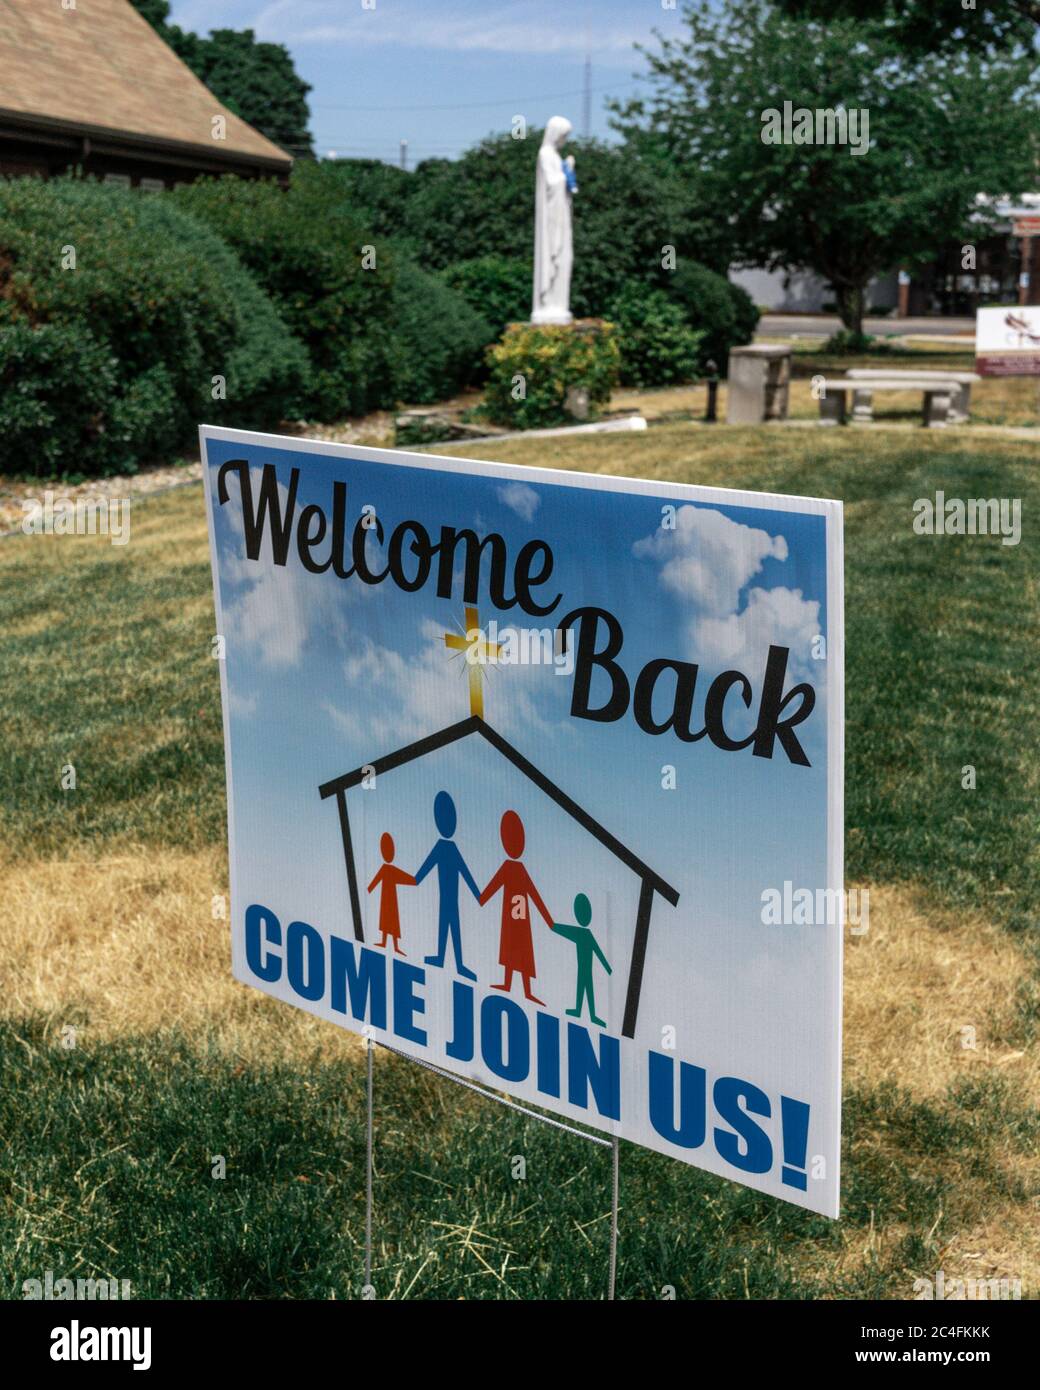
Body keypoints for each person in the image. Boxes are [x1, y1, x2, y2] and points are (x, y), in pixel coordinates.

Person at [480, 810, 553, 1006]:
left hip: (520, 922)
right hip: (514, 921)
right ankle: (508, 984)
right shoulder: (511, 868)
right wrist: (482, 898)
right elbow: (494, 886)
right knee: (511, 952)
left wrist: (549, 920)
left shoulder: (517, 869)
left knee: (521, 954)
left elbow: (534, 895)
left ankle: (527, 991)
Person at [414, 790, 480, 980]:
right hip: (447, 900)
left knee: (454, 928)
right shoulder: (443, 847)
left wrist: (478, 895)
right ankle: (442, 958)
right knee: (446, 927)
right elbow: (423, 871)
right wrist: (412, 880)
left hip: (451, 900)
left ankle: (459, 964)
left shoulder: (449, 848)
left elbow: (465, 873)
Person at [552, 893, 611, 1028]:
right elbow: (562, 929)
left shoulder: (585, 934)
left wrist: (608, 968)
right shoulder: (582, 933)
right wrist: (553, 926)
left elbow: (599, 952)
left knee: (588, 990)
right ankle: (579, 1010)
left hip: (587, 970)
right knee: (582, 989)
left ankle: (592, 1015)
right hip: (583, 969)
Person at [366, 832, 415, 955]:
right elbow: (375, 881)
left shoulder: (392, 870)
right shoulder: (385, 869)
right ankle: (383, 942)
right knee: (385, 921)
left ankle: (396, 946)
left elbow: (407, 878)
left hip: (392, 900)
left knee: (393, 922)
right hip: (386, 898)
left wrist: (414, 880)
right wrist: (370, 889)